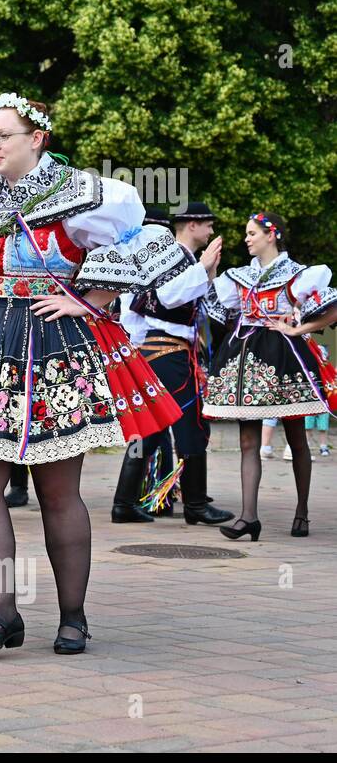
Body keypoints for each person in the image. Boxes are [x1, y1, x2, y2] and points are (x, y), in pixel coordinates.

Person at [0, 92, 185, 654]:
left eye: (5, 135)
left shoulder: (84, 194)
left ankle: (72, 617)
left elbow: (144, 242)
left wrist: (91, 300)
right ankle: (1, 614)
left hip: (50, 343)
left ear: (39, 139)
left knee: (58, 489)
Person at [203, 212, 337, 539]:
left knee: (295, 436)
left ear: (271, 235)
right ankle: (249, 516)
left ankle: (302, 512)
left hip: (285, 356)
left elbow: (332, 309)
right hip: (244, 358)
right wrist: (210, 271)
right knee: (247, 440)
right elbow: (215, 306)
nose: (246, 239)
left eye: (252, 233)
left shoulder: (300, 275)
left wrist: (298, 328)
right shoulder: (239, 277)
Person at [112, 202, 235, 525]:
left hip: (164, 351)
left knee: (152, 429)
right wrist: (202, 268)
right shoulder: (175, 256)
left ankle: (124, 503)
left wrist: (206, 271)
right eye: (207, 225)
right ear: (192, 225)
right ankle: (194, 504)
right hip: (169, 352)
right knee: (191, 424)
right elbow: (168, 296)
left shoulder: (181, 258)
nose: (210, 231)